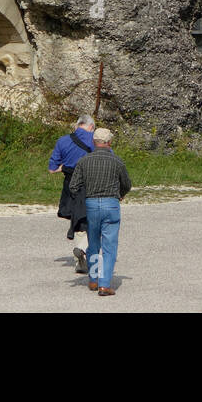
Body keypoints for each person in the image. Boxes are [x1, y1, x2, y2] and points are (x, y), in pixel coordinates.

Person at [69, 126, 132, 296]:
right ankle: (104, 285)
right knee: (109, 246)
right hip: (111, 204)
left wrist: (85, 196)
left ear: (94, 142)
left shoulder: (84, 161)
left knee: (93, 243)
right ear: (109, 142)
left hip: (91, 205)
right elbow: (127, 184)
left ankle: (93, 279)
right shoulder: (117, 161)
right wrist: (120, 195)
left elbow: (73, 186)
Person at [49, 114, 95, 273]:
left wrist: (63, 167)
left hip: (70, 185)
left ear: (77, 125)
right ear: (91, 127)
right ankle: (83, 249)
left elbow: (52, 168)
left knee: (78, 221)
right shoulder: (95, 140)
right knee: (94, 219)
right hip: (91, 184)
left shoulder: (62, 141)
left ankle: (80, 261)